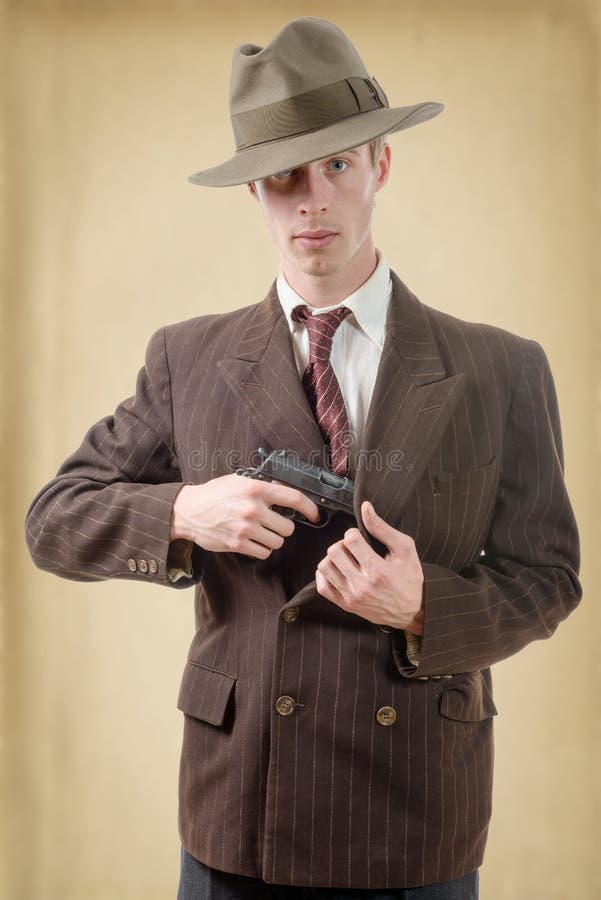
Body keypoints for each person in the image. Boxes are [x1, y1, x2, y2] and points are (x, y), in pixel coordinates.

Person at [24, 16, 581, 900]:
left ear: (379, 168)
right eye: (281, 176)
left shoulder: (499, 368)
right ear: (252, 192)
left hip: (415, 816)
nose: (310, 201)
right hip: (239, 808)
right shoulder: (188, 357)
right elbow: (51, 521)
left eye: (336, 166)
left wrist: (423, 605)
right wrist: (183, 512)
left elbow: (547, 578)